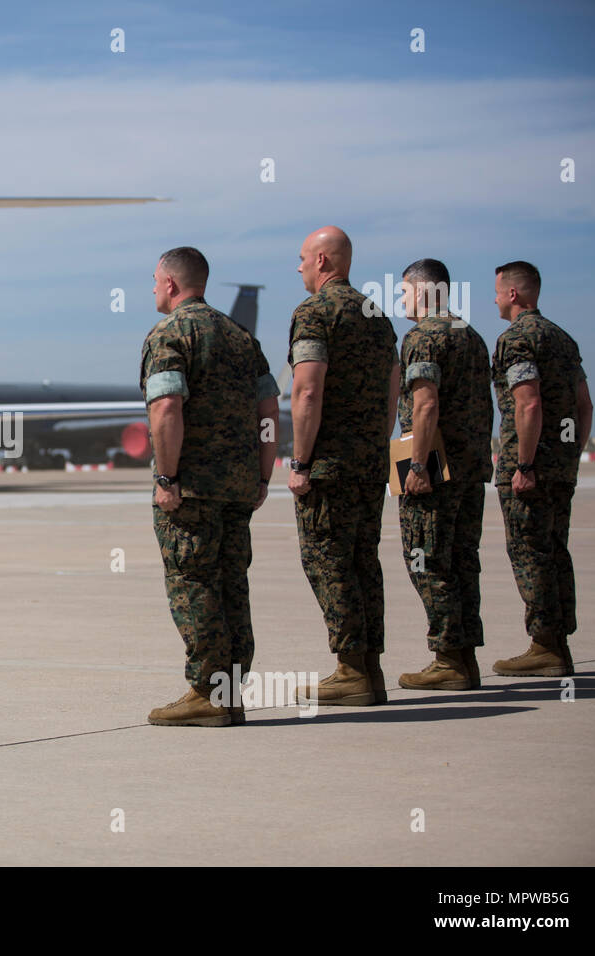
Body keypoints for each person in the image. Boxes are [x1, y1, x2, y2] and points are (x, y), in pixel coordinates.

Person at [141, 246, 279, 727]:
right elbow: (268, 413)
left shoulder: (170, 334)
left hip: (192, 489)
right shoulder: (242, 338)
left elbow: (166, 408)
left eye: (156, 280)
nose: (154, 288)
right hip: (238, 488)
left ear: (172, 284)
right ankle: (230, 691)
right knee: (230, 584)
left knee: (193, 583)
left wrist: (167, 477)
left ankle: (207, 692)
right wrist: (263, 474)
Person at [287, 227, 399, 706]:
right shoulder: (377, 315)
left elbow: (307, 391)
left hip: (330, 468)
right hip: (370, 464)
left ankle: (350, 669)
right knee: (363, 562)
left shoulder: (313, 314)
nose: (299, 268)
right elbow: (394, 388)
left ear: (324, 260)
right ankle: (369, 668)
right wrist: (377, 442)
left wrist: (301, 460)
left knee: (329, 563)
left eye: (303, 259)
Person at [393, 259, 493, 690]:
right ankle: (464, 657)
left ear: (424, 290)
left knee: (425, 559)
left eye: (404, 291)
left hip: (434, 469)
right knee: (462, 559)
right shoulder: (470, 336)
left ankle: (449, 657)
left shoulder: (423, 337)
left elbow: (426, 405)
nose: (401, 300)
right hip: (471, 470)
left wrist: (417, 466)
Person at [490, 261, 592, 677]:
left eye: (497, 291)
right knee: (555, 550)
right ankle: (557, 641)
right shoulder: (563, 340)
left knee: (529, 552)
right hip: (561, 468)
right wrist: (569, 456)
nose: (494, 298)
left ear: (513, 294)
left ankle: (545, 645)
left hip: (529, 468)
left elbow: (528, 403)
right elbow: (585, 406)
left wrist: (525, 463)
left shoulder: (517, 339)